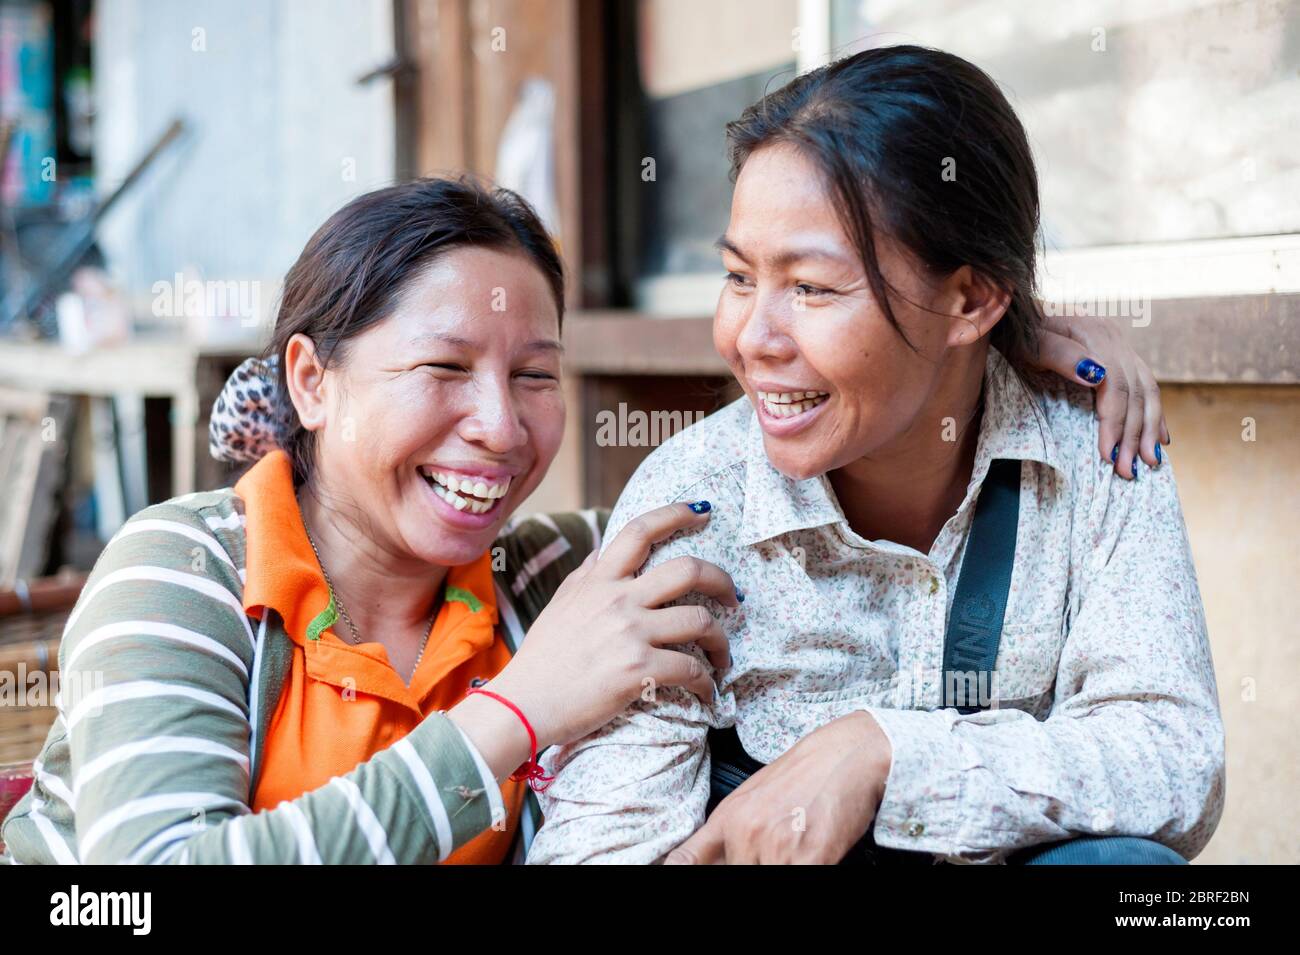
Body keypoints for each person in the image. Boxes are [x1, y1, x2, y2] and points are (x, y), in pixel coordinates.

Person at [2, 163, 1174, 865]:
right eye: (444, 369)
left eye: (532, 375)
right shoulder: (186, 569)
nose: (499, 429)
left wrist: (993, 348)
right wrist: (516, 714)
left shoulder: (548, 570)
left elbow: (794, 468)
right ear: (313, 378)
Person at [527, 45, 1224, 865]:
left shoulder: (1096, 441)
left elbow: (1177, 758)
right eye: (738, 276)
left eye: (813, 288)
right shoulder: (692, 501)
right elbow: (600, 847)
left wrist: (885, 753)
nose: (750, 340)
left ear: (970, 299)